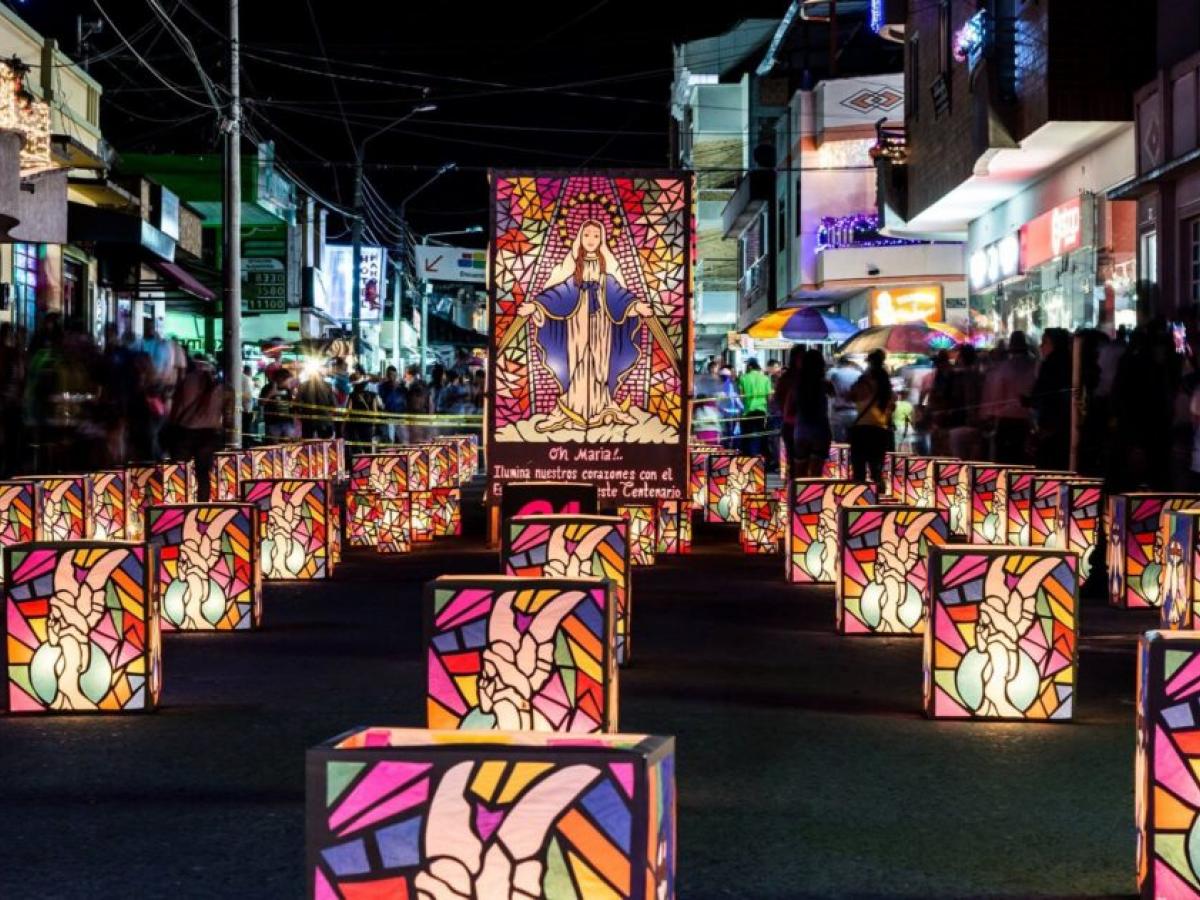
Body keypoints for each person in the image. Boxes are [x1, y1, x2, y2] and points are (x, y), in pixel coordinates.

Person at [513, 219, 652, 432]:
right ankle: (569, 408)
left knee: (601, 363)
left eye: (596, 236)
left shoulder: (607, 268)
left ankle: (604, 407)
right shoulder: (571, 266)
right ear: (579, 237)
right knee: (576, 362)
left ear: (602, 239)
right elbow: (562, 291)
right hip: (577, 323)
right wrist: (535, 306)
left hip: (602, 324)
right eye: (587, 235)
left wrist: (635, 305)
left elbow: (616, 292)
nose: (591, 240)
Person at [168, 354, 224, 500]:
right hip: (209, 434)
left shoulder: (188, 381)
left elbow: (178, 407)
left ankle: (179, 504)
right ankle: (202, 507)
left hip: (187, 431)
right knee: (203, 475)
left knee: (179, 470)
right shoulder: (218, 384)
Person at [984, 330, 1037, 464]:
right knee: (1024, 460)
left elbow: (995, 396)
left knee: (1005, 461)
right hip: (1027, 420)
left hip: (1006, 420)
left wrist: (989, 416)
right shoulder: (1035, 366)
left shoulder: (1002, 368)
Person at [848, 349, 894, 489]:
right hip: (880, 429)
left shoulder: (864, 381)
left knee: (859, 468)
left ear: (869, 362)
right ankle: (878, 497)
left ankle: (861, 498)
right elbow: (892, 407)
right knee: (876, 468)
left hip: (862, 427)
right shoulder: (886, 383)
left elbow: (852, 396)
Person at [1030, 328, 1073, 471]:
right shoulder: (1070, 362)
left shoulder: (1050, 365)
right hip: (1065, 425)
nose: (1041, 347)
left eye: (1044, 342)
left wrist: (1029, 401)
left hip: (1051, 425)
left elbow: (1041, 393)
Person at [792, 349, 834, 477]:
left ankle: (800, 496)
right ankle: (814, 495)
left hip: (802, 429)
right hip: (820, 429)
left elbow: (791, 405)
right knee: (816, 471)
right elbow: (834, 396)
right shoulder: (825, 384)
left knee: (800, 470)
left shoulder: (798, 384)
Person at [945, 344, 985, 460]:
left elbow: (946, 398)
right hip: (977, 425)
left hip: (957, 424)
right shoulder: (980, 377)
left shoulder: (953, 377)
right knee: (976, 465)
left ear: (961, 358)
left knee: (960, 463)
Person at [738, 358, 772, 458]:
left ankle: (748, 459)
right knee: (761, 436)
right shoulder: (765, 379)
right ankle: (762, 459)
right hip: (761, 411)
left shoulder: (743, 378)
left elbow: (741, 395)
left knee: (747, 437)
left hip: (748, 411)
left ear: (750, 366)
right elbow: (769, 397)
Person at [346, 374, 383, 456]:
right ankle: (368, 466)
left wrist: (344, 425)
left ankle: (358, 466)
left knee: (356, 450)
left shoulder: (352, 396)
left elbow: (348, 411)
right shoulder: (373, 395)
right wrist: (374, 425)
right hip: (368, 426)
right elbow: (375, 412)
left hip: (355, 426)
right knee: (368, 449)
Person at [260, 368, 295, 439]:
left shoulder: (288, 390)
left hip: (287, 422)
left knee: (288, 445)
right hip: (273, 422)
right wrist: (271, 393)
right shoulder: (267, 388)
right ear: (281, 379)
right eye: (289, 380)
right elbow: (261, 403)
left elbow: (291, 405)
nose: (290, 382)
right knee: (274, 446)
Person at [377, 365, 407, 442]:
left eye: (393, 375)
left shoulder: (402, 388)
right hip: (388, 417)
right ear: (387, 375)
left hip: (400, 417)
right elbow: (379, 401)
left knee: (402, 439)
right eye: (390, 375)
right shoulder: (382, 387)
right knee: (390, 440)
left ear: (396, 375)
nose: (392, 377)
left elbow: (405, 401)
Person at [717, 364, 742, 448]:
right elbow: (737, 398)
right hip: (731, 411)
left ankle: (727, 445)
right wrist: (741, 408)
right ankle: (731, 446)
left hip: (724, 411)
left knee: (726, 429)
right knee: (730, 429)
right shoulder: (733, 385)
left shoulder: (720, 385)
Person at [240, 365, 256, 448]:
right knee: (246, 431)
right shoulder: (246, 379)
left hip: (241, 410)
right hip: (245, 410)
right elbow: (248, 397)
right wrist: (248, 409)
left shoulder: (239, 377)